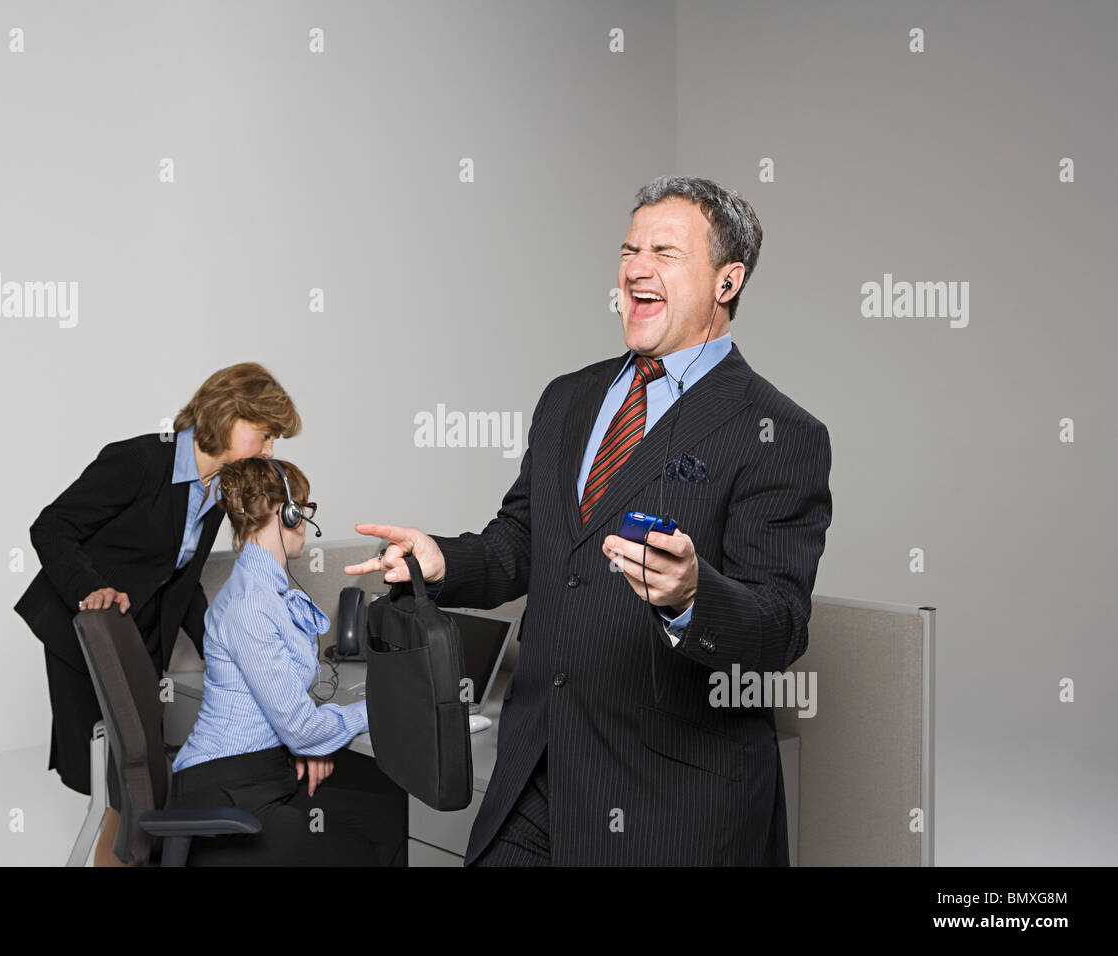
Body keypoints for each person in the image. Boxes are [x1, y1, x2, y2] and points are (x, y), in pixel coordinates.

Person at [345, 175, 833, 865]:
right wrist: (445, 561)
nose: (636, 267)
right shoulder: (569, 398)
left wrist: (695, 597)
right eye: (631, 248)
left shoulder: (778, 432)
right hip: (536, 771)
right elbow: (520, 543)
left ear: (727, 282)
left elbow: (780, 626)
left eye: (665, 251)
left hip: (670, 806)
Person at [14, 362, 301, 866]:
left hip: (142, 635)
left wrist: (222, 649)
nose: (270, 449)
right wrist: (91, 587)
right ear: (232, 417)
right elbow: (51, 526)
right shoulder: (142, 460)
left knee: (138, 786)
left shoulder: (218, 488)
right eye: (265, 434)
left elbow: (182, 578)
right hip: (85, 631)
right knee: (116, 786)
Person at [166, 458, 402, 866]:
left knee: (392, 817)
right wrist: (383, 707)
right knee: (362, 848)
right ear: (285, 512)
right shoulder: (251, 605)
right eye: (304, 509)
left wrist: (311, 739)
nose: (306, 522)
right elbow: (301, 729)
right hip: (226, 792)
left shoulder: (266, 592)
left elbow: (289, 710)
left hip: (263, 775)